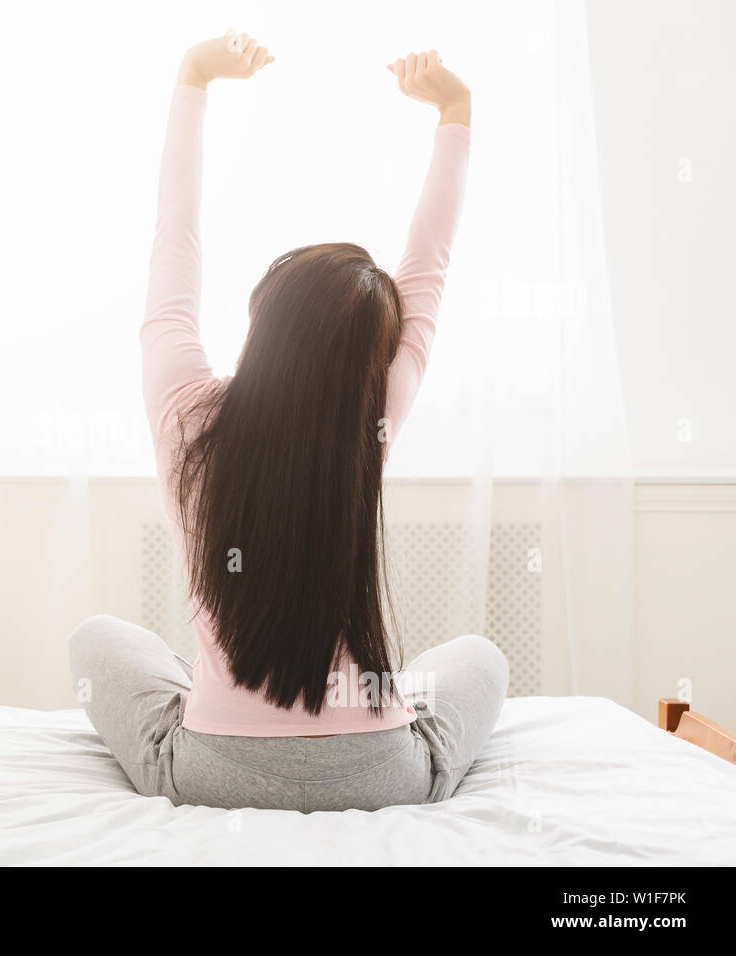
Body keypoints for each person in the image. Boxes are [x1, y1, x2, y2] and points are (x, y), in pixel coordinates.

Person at [69, 31, 508, 812]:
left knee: (96, 640)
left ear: (261, 317)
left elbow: (176, 232)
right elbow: (428, 268)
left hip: (215, 774)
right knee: (480, 659)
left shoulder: (184, 411)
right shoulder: (368, 423)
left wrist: (194, 79)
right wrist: (455, 110)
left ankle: (205, 699)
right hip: (382, 773)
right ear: (370, 365)